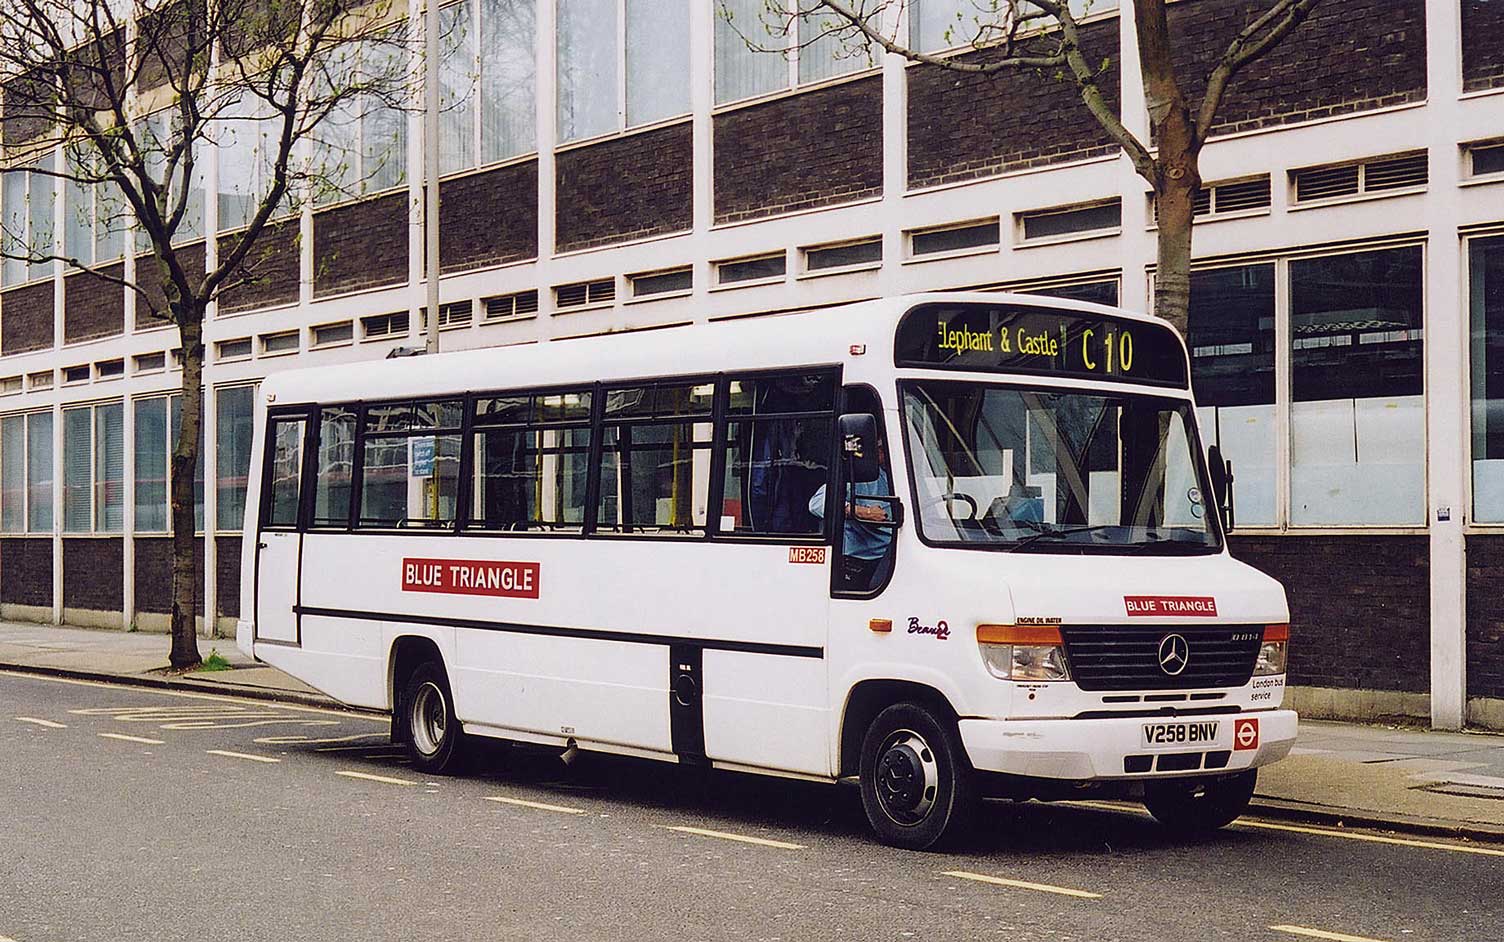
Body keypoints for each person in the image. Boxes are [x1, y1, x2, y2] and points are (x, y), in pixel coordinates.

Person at [808, 441, 894, 591]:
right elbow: (817, 503)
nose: (885, 453)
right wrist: (862, 512)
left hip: (891, 552)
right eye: (881, 448)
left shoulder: (892, 476)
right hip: (861, 561)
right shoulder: (858, 475)